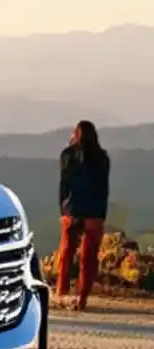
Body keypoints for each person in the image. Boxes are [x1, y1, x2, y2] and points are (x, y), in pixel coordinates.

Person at [55, 120, 110, 311]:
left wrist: (63, 210)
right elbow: (104, 188)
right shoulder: (102, 157)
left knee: (66, 253)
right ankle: (82, 297)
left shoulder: (67, 155)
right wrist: (102, 214)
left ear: (76, 134)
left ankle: (61, 293)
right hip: (94, 212)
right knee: (89, 258)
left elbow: (64, 184)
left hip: (72, 209)